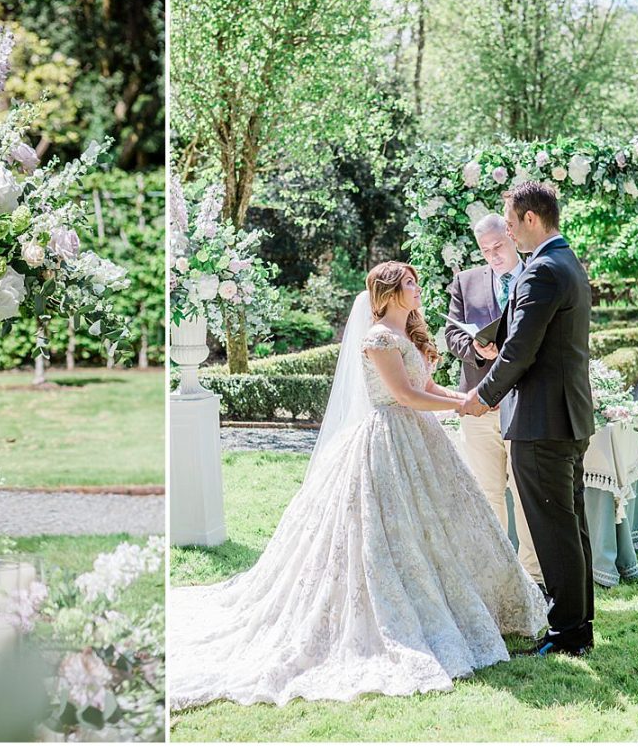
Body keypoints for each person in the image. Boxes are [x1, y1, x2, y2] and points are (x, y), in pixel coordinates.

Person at [169, 261, 547, 710]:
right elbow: (403, 396)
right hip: (387, 438)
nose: (418, 287)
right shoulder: (379, 339)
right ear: (387, 293)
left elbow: (426, 384)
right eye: (409, 282)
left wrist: (469, 397)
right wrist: (461, 408)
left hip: (420, 438)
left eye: (415, 280)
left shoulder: (406, 334)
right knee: (383, 529)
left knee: (440, 522)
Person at [459, 181, 595, 657]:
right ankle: (579, 626)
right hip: (568, 417)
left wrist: (482, 395)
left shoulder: (540, 271)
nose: (511, 233)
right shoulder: (568, 263)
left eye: (512, 224)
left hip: (541, 422)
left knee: (554, 532)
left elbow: (519, 351)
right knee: (570, 526)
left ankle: (567, 634)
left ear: (530, 219)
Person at [445, 214, 543, 589]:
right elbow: (451, 334)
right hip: (480, 404)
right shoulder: (465, 282)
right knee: (486, 494)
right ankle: (497, 579)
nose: (492, 256)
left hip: (525, 403)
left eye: (497, 247)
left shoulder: (539, 274)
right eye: (485, 251)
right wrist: (473, 347)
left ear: (511, 236)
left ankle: (532, 578)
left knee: (525, 493)